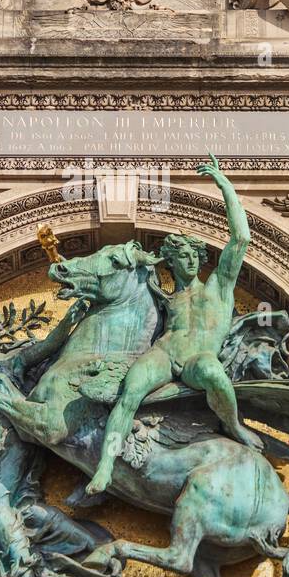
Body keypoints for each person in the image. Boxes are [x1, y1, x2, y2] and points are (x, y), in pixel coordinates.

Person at [85, 154, 263, 496]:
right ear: (171, 261)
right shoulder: (166, 298)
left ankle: (234, 425)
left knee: (212, 372)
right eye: (184, 255)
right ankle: (106, 466)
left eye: (195, 254)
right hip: (165, 353)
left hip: (198, 358)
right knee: (130, 391)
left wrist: (224, 184)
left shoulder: (218, 286)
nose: (192, 259)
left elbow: (240, 238)